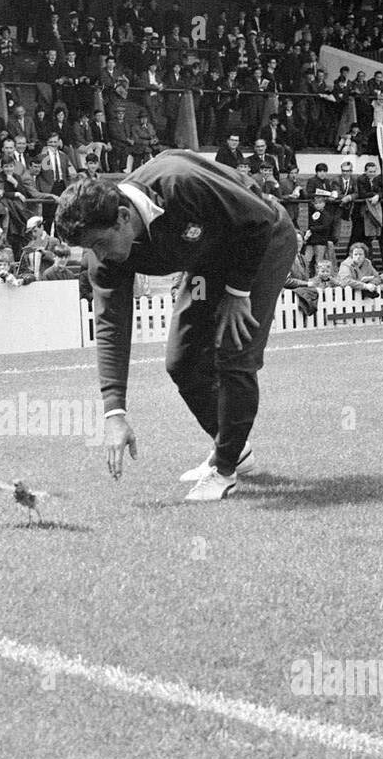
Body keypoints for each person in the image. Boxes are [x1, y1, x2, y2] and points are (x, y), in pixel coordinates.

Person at [55, 150, 297, 501]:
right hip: (210, 256)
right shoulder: (104, 256)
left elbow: (257, 219)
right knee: (182, 361)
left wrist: (237, 291)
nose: (98, 256)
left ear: (123, 217)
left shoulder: (180, 181)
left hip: (262, 239)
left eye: (98, 244)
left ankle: (224, 470)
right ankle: (234, 450)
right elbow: (110, 325)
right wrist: (114, 412)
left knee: (234, 352)